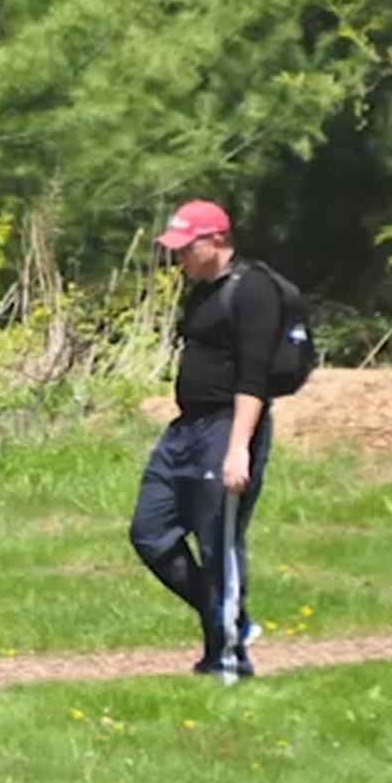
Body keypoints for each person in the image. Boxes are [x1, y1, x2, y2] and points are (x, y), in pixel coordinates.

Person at [129, 199, 277, 679]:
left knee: (218, 545)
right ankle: (229, 618)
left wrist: (239, 448)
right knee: (149, 531)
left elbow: (255, 378)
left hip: (225, 429)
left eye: (186, 249)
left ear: (216, 241)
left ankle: (228, 661)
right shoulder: (200, 292)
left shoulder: (252, 293)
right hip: (185, 429)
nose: (180, 260)